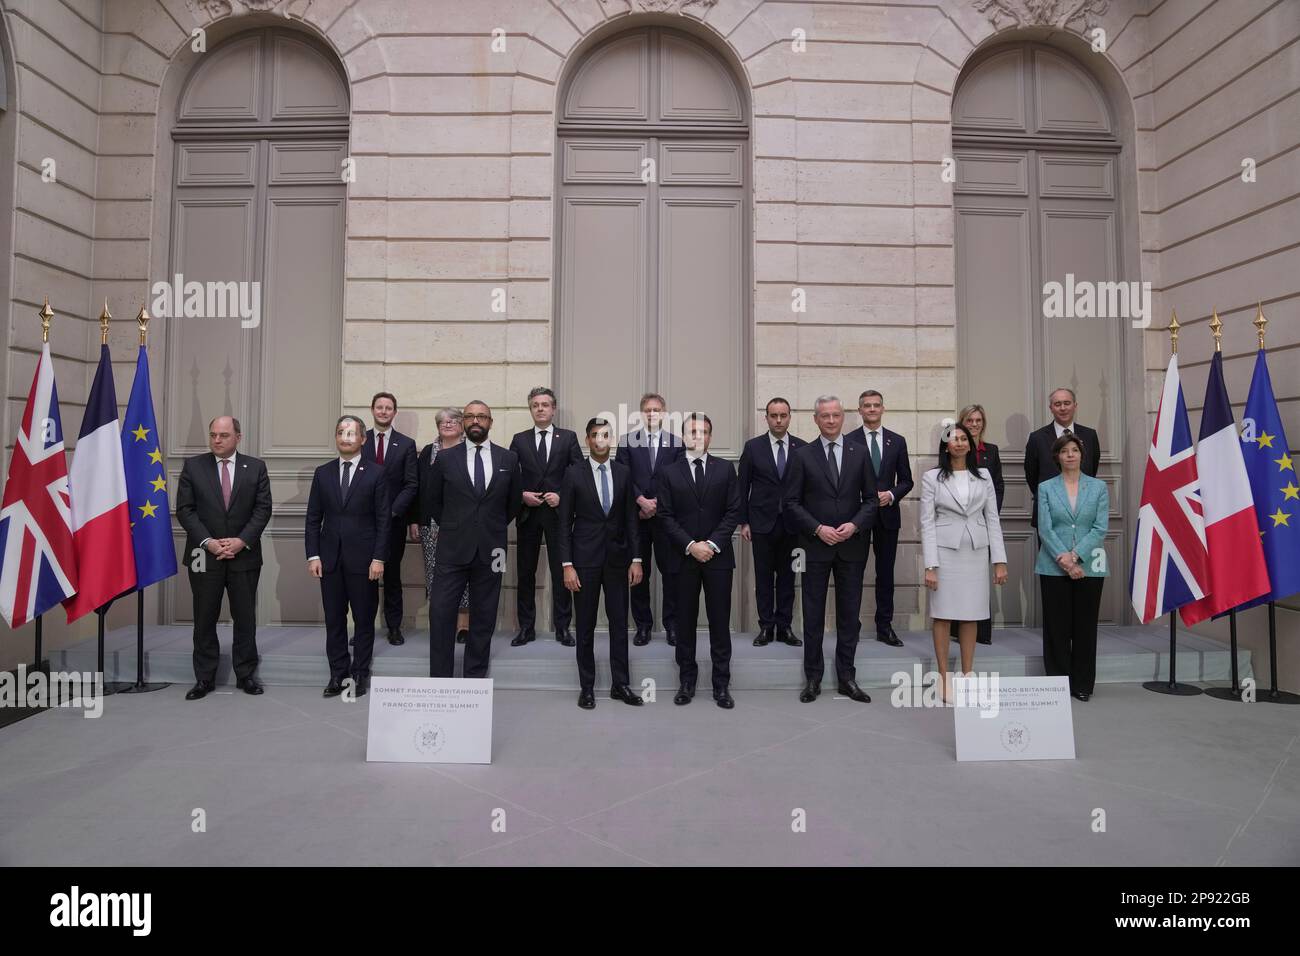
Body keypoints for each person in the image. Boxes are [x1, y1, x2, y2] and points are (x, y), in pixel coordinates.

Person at [783, 395, 878, 704]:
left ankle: (847, 678)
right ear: (815, 419)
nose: (831, 420)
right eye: (825, 415)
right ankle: (813, 678)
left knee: (849, 616)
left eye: (836, 415)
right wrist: (817, 528)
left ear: (843, 417)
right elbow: (791, 503)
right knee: (812, 615)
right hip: (814, 546)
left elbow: (871, 499)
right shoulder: (801, 455)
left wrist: (854, 525)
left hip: (852, 545)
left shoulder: (860, 453)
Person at [175, 415, 272, 700]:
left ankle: (246, 676)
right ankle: (204, 679)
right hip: (204, 556)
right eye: (213, 435)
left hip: (244, 556)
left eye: (224, 435)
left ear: (238, 437)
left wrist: (241, 541)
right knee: (204, 619)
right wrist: (209, 543)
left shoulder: (255, 467)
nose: (217, 440)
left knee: (245, 619)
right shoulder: (194, 466)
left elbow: (262, 510)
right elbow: (185, 510)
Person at [424, 401, 522, 679]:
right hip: (452, 548)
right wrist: (456, 527)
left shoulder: (508, 459)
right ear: (463, 422)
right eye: (470, 416)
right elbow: (432, 501)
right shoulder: (445, 458)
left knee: (484, 615)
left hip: (493, 550)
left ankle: (474, 679)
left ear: (490, 422)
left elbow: (514, 502)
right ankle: (440, 679)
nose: (475, 421)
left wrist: (490, 526)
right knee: (441, 614)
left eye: (482, 416)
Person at [557, 417, 644, 710]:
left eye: (605, 435)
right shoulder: (573, 474)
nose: (600, 440)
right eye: (595, 435)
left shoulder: (623, 472)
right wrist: (567, 564)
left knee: (620, 624)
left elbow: (631, 519)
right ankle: (587, 687)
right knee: (585, 625)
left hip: (619, 561)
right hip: (584, 562)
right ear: (588, 440)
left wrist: (636, 558)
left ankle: (621, 684)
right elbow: (563, 523)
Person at [656, 413, 742, 709]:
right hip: (683, 558)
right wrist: (692, 545)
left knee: (719, 623)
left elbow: (733, 511)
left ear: (710, 436)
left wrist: (712, 544)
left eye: (704, 431)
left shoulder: (725, 469)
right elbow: (665, 516)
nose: (698, 436)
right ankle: (687, 682)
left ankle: (721, 685)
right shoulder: (668, 472)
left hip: (718, 559)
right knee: (685, 623)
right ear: (684, 436)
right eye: (693, 431)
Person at [920, 422, 1007, 704]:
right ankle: (944, 677)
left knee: (971, 614)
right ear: (945, 445)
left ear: (971, 444)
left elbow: (992, 518)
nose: (958, 443)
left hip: (976, 552)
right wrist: (930, 565)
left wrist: (1000, 561)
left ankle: (968, 675)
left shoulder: (983, 476)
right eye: (953, 439)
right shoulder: (932, 477)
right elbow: (927, 523)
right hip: (945, 553)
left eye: (963, 438)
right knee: (943, 614)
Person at [306, 415, 388, 698]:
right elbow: (313, 518)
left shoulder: (376, 473)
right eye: (341, 432)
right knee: (334, 620)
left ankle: (359, 675)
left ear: (363, 439)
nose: (346, 437)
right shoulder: (323, 472)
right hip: (329, 560)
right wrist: (313, 555)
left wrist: (379, 558)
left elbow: (383, 520)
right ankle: (337, 674)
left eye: (352, 433)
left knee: (364, 620)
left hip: (365, 561)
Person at [1034, 433, 1109, 701]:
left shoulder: (1098, 488)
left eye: (1074, 450)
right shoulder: (1046, 488)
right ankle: (1057, 684)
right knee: (1057, 627)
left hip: (1091, 565)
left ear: (1081, 454)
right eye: (1064, 451)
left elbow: (1100, 528)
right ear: (1057, 456)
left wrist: (1076, 556)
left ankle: (1083, 685)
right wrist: (1064, 559)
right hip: (1053, 565)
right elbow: (1045, 527)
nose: (1070, 455)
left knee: (1085, 627)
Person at [509, 387, 583, 648]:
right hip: (528, 514)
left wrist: (562, 496)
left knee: (561, 570)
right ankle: (526, 628)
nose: (540, 408)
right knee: (525, 573)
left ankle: (562, 628)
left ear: (553, 409)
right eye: (535, 405)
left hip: (557, 515)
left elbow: (579, 475)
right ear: (531, 409)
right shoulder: (519, 439)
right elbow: (509, 476)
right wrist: (521, 494)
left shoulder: (568, 438)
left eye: (545, 404)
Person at [845, 389, 913, 646]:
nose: (872, 409)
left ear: (883, 409)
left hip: (887, 516)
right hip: (858, 517)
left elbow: (907, 480)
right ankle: (852, 625)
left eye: (876, 405)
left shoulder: (897, 441)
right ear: (860, 410)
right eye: (867, 406)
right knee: (853, 572)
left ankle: (884, 627)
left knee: (885, 574)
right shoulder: (848, 440)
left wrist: (892, 494)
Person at [617, 392, 684, 646]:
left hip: (666, 520)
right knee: (638, 574)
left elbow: (679, 480)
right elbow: (623, 477)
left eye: (656, 410)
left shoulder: (677, 443)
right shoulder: (627, 442)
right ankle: (643, 626)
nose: (652, 413)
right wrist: (641, 501)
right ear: (641, 413)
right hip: (636, 519)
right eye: (647, 410)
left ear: (664, 413)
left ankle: (672, 626)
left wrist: (658, 505)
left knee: (671, 574)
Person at [738, 397, 805, 647]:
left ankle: (785, 627)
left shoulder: (803, 447)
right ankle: (766, 627)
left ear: (789, 417)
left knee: (789, 578)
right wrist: (743, 521)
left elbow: (807, 490)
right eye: (773, 415)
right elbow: (742, 486)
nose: (778, 420)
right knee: (763, 578)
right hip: (761, 525)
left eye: (783, 415)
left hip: (793, 526)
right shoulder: (753, 447)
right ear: (766, 418)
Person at [363, 392, 418, 646]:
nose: (384, 412)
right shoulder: (360, 441)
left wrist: (392, 512)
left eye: (388, 408)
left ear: (394, 412)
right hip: (364, 522)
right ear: (372, 410)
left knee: (393, 575)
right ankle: (364, 628)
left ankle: (394, 627)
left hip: (394, 522)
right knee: (365, 578)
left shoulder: (406, 444)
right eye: (379, 407)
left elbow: (411, 484)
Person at [411, 407, 470, 645]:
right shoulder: (428, 452)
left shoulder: (471, 450)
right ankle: (441, 624)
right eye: (443, 421)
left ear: (462, 425)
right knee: (435, 575)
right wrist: (415, 519)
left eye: (454, 420)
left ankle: (463, 626)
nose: (448, 424)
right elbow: (418, 488)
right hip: (431, 525)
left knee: (464, 575)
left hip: (465, 525)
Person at [951, 404, 1003, 646]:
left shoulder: (990, 451)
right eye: (969, 420)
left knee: (979, 581)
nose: (974, 424)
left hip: (981, 524)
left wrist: (986, 515)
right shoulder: (952, 447)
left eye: (978, 420)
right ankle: (955, 629)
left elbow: (998, 487)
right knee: (957, 580)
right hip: (957, 527)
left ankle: (981, 633)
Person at [1024, 387, 1100, 528]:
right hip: (1049, 514)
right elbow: (1032, 476)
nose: (1063, 408)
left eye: (1067, 403)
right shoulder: (1037, 438)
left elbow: (1092, 469)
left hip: (1084, 513)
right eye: (1057, 404)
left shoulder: (1090, 436)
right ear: (1051, 408)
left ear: (1075, 406)